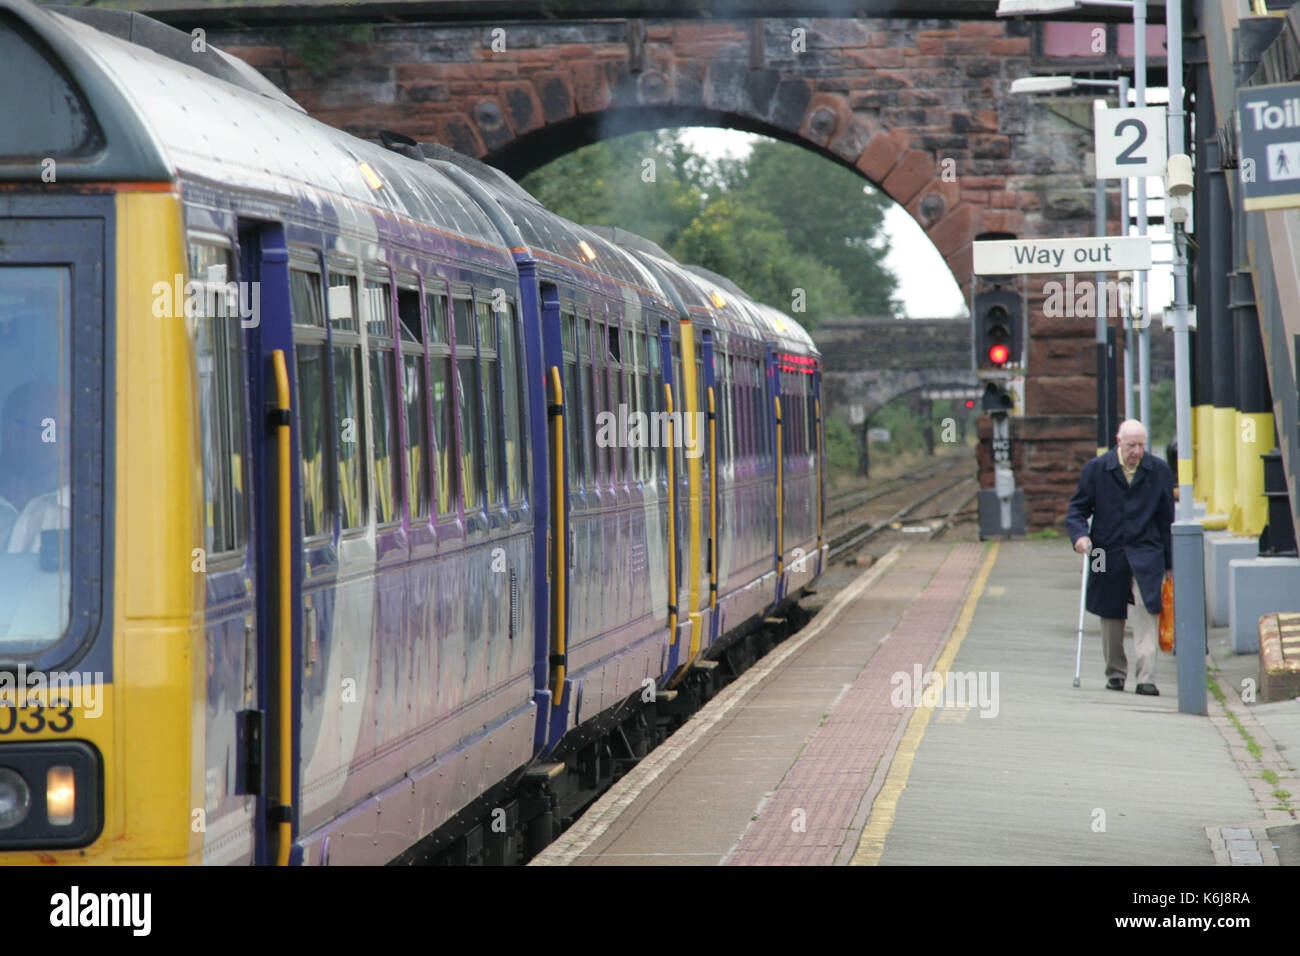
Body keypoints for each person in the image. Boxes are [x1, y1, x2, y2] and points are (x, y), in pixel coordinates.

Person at [1066, 419, 1174, 695]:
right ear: (1118, 441)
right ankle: (1115, 672)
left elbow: (1166, 520)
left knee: (1147, 609)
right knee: (1108, 612)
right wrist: (1080, 537)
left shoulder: (1159, 471)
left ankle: (1146, 677)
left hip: (1146, 550)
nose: (1136, 451)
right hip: (1102, 550)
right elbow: (1077, 510)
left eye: (1141, 445)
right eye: (1131, 445)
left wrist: (1170, 564)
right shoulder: (1096, 469)